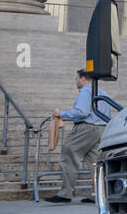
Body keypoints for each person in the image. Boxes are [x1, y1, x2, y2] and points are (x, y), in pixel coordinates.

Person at [45, 70, 114, 204]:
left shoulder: (86, 91)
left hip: (86, 128)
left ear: (83, 78)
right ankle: (97, 194)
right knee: (95, 162)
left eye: (76, 78)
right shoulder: (102, 92)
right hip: (101, 128)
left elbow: (82, 112)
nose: (75, 81)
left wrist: (61, 114)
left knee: (69, 155)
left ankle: (65, 194)